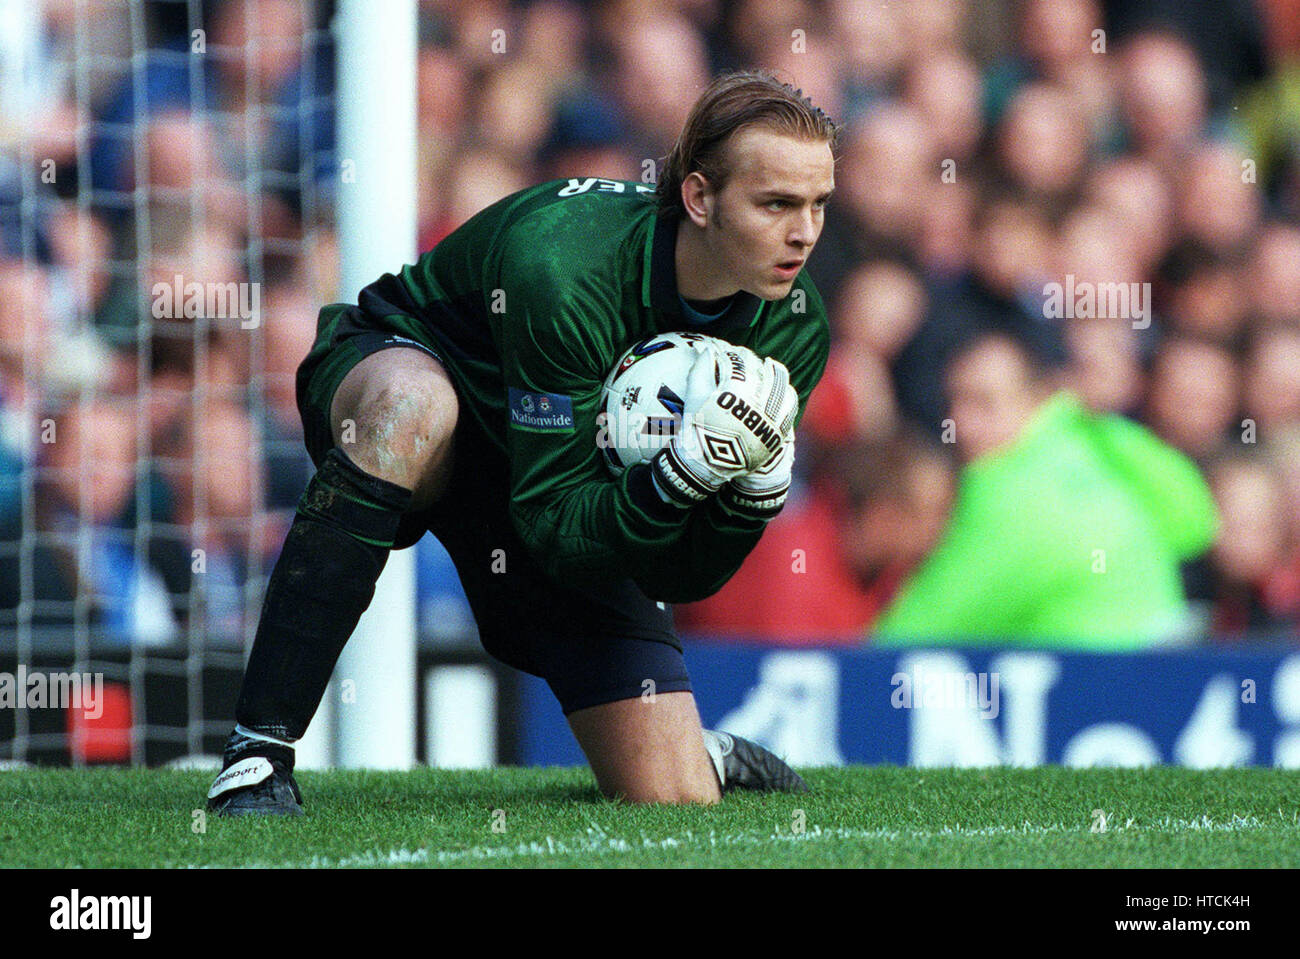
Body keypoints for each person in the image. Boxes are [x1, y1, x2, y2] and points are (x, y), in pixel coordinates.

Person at [205, 71, 837, 814]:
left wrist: (745, 501)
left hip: (561, 477)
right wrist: (672, 480)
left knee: (672, 795)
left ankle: (701, 751)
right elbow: (550, 525)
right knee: (413, 407)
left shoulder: (794, 328)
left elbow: (687, 572)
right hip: (418, 377)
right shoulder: (565, 265)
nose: (804, 232)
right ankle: (257, 750)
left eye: (819, 204)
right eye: (777, 204)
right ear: (698, 198)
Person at [872, 329, 1219, 649]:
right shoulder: (1092, 440)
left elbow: (911, 638)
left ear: (1035, 398)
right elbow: (1196, 525)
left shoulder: (1004, 491)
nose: (959, 423)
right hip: (1165, 671)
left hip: (1100, 691)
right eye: (955, 401)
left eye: (984, 402)